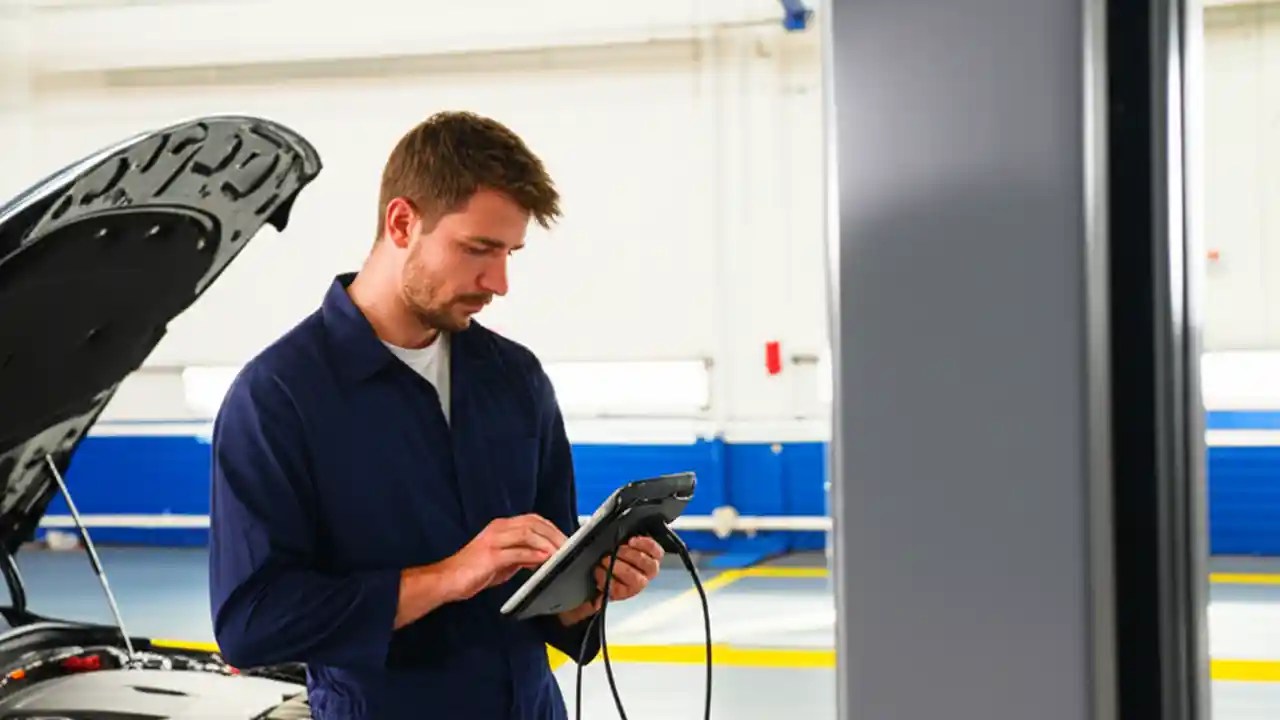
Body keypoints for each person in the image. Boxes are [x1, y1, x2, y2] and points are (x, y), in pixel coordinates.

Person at [207, 111, 666, 720]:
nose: (499, 281)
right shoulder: (278, 397)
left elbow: (544, 587)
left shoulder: (516, 378)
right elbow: (252, 623)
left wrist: (589, 591)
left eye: (509, 252)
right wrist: (448, 576)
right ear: (402, 223)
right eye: (478, 249)